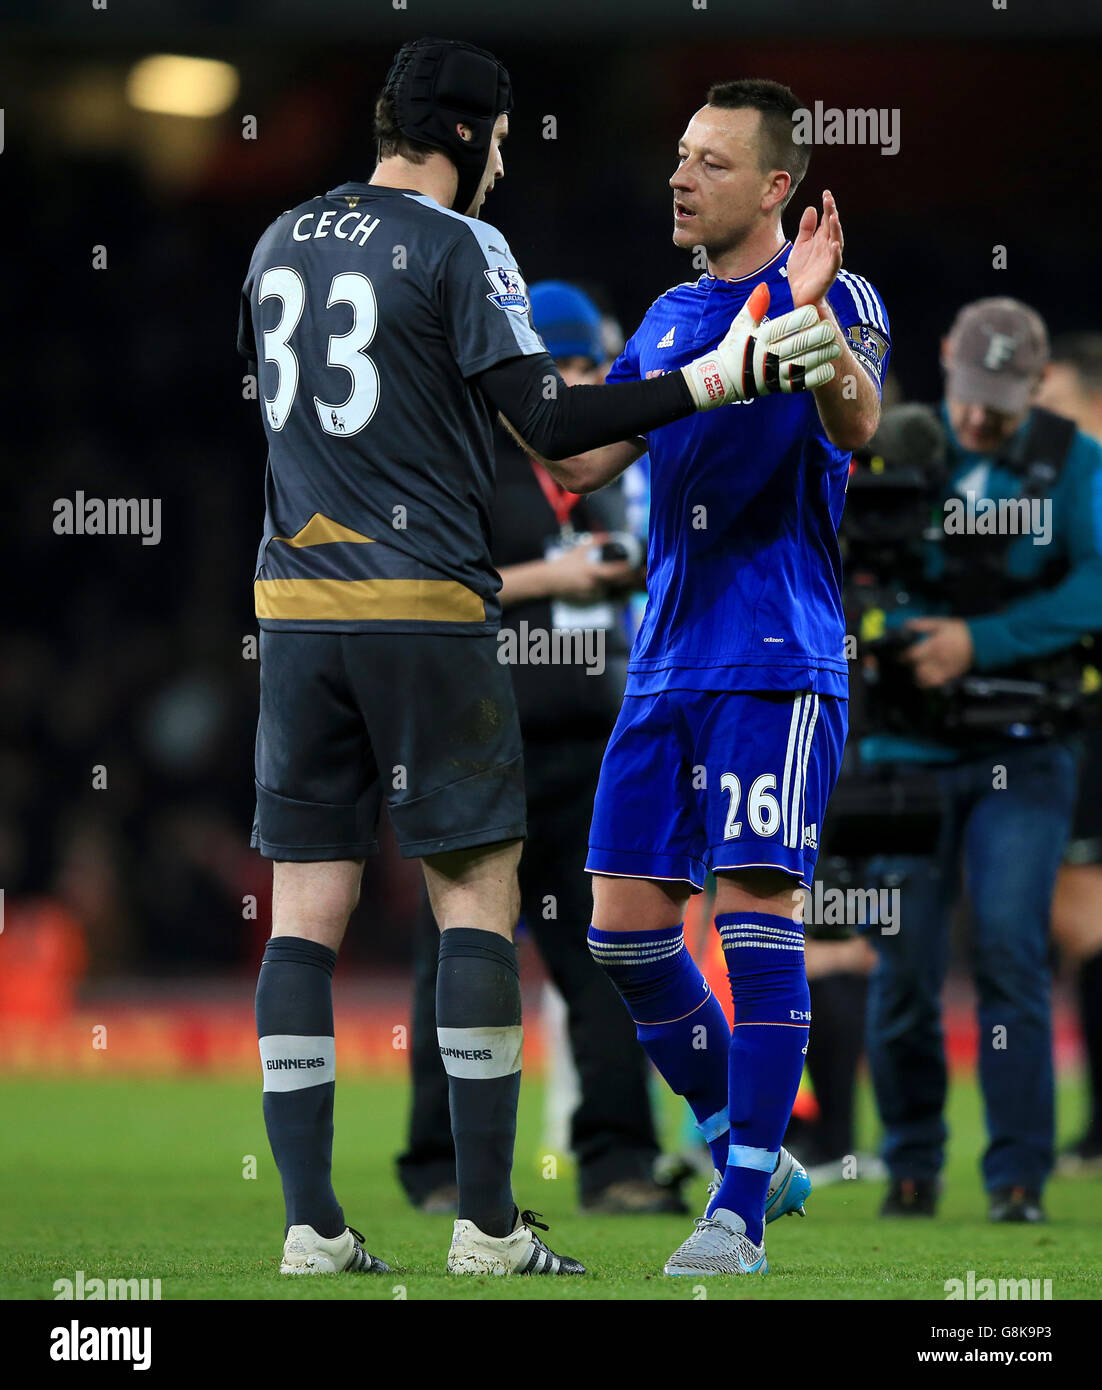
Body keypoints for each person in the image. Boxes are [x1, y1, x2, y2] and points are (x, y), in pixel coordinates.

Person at [237, 40, 836, 1277]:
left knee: (303, 915)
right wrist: (720, 373)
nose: (506, 157)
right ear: (462, 132)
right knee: (475, 901)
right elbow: (553, 427)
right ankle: (489, 1227)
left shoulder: (278, 239)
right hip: (426, 611)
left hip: (292, 608)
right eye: (500, 134)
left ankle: (308, 1224)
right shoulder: (464, 247)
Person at [511, 78, 882, 1275]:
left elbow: (858, 425)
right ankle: (747, 1143)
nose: (680, 176)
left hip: (772, 655)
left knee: (755, 913)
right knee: (622, 932)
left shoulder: (837, 290)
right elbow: (584, 456)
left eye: (711, 162)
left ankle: (735, 1211)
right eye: (678, 153)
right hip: (662, 661)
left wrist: (815, 333)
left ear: (776, 186)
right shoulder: (671, 313)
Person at [398, 281, 681, 1216]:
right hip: (481, 740)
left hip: (591, 745)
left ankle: (619, 1163)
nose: (580, 384)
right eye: (562, 367)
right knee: (458, 954)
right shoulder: (465, 459)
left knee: (607, 955)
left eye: (594, 367)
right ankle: (439, 1168)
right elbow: (428, 588)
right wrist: (552, 574)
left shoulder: (610, 475)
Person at [863, 300, 1102, 1221]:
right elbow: (841, 562)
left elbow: (1095, 582)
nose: (976, 420)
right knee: (905, 964)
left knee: (1009, 949)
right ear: (945, 363)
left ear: (1037, 387)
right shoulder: (901, 443)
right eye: (968, 395)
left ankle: (1015, 1180)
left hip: (1025, 747)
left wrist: (978, 641)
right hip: (904, 745)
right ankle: (911, 1161)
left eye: (1000, 405)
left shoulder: (1073, 461)